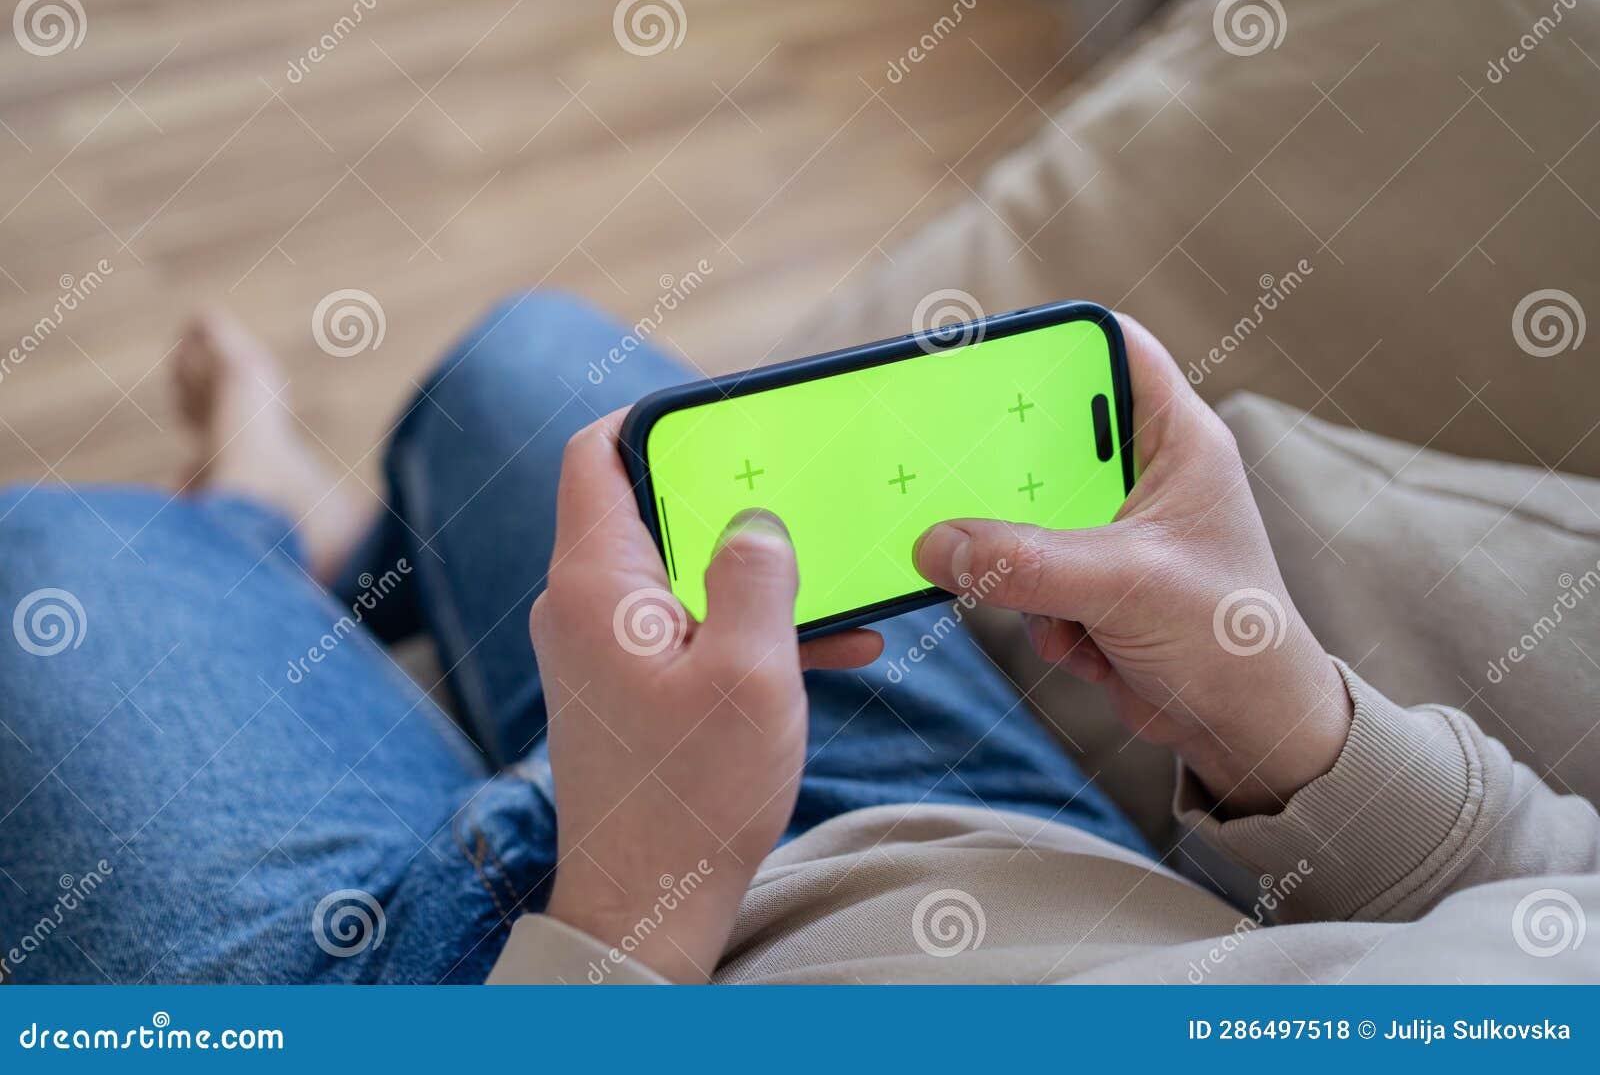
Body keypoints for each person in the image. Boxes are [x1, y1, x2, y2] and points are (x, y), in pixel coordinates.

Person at [0, 293, 1593, 985]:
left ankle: (256, 522)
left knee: (69, 554)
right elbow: (1548, 900)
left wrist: (627, 916)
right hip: (966, 847)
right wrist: (1281, 713)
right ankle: (340, 555)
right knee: (539, 373)